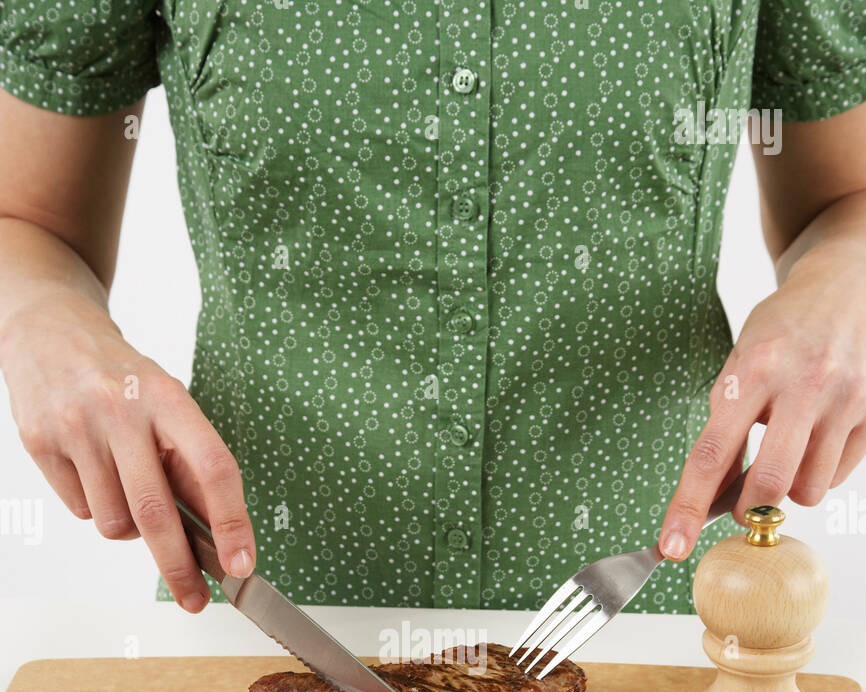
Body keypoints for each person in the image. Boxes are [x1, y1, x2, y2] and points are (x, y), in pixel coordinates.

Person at [0, 2, 864, 617]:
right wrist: (39, 317)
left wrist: (846, 280)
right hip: (261, 635)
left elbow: (846, 199)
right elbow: (29, 224)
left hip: (669, 635)